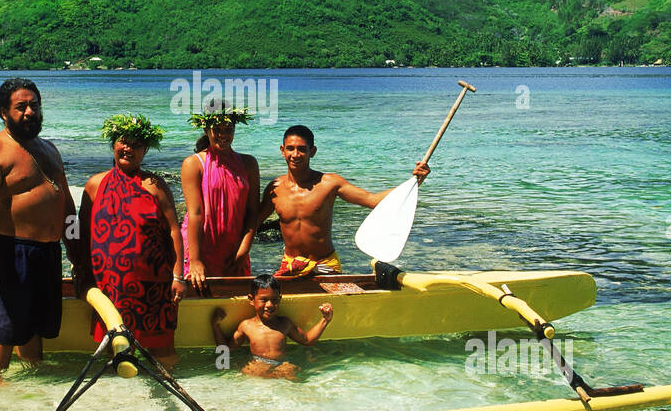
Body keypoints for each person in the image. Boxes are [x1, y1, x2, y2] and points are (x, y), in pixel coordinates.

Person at [0, 78, 88, 376]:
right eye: (21, 107)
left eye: (34, 105)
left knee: (35, 327)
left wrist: (75, 253)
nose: (30, 112)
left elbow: (67, 207)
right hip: (10, 252)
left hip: (47, 252)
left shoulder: (48, 149)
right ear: (4, 113)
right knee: (3, 331)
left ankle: (33, 384)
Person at [80, 114, 186, 364]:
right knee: (113, 349)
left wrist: (178, 275)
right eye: (123, 141)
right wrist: (81, 270)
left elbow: (174, 230)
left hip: (154, 287)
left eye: (136, 144)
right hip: (110, 285)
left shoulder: (154, 184)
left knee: (163, 354)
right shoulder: (95, 185)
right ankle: (122, 402)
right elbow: (81, 233)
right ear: (113, 144)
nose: (128, 148)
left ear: (145, 149)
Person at [257, 125, 430, 275]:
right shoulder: (275, 188)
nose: (295, 154)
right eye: (290, 148)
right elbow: (253, 223)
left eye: (302, 149)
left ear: (313, 151)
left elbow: (373, 200)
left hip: (325, 265)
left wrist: (414, 182)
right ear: (282, 150)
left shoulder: (330, 183)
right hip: (291, 265)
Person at [180, 101, 259, 292]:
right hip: (202, 248)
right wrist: (196, 260)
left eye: (229, 129)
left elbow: (253, 212)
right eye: (218, 129)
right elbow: (195, 214)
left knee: (238, 304)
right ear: (206, 128)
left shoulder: (248, 163)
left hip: (235, 248)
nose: (224, 135)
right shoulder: (194, 163)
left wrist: (243, 251)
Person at [210, 273, 333, 378]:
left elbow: (307, 340)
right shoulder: (246, 326)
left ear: (279, 299)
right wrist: (215, 326)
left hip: (282, 366)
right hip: (259, 365)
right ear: (251, 299)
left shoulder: (284, 323)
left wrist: (325, 320)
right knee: (251, 369)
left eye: (274, 300)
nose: (269, 305)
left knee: (292, 370)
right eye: (264, 300)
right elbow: (226, 348)